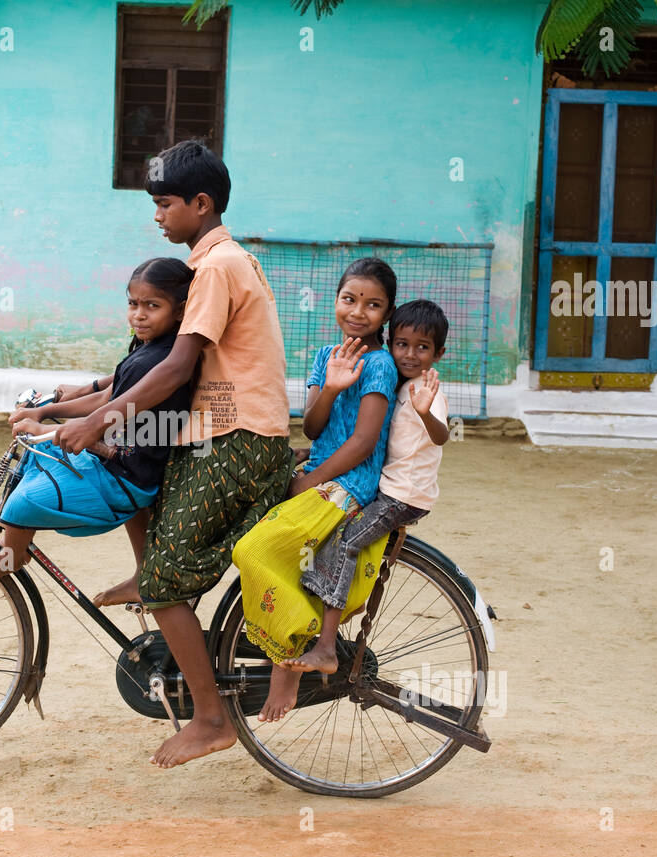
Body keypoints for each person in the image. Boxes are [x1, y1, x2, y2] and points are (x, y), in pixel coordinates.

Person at [54, 140, 294, 768]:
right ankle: (149, 572)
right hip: (217, 429)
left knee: (164, 583)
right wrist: (86, 407)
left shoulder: (215, 268)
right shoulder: (222, 259)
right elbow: (158, 369)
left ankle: (213, 719)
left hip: (236, 441)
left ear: (201, 203)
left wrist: (104, 416)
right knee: (132, 464)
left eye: (164, 204)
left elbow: (182, 361)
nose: (157, 217)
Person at [0, 258, 195, 589]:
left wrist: (44, 427)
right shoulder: (151, 350)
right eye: (133, 304)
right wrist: (46, 410)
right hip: (120, 463)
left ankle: (11, 559)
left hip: (124, 477)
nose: (139, 314)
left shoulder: (157, 361)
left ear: (179, 311)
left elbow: (106, 411)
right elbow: (107, 397)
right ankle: (18, 546)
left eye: (153, 306)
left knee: (23, 500)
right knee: (37, 456)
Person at [230, 258, 401, 722]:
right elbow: (312, 423)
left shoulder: (381, 364)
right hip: (324, 473)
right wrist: (329, 387)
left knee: (254, 550)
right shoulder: (326, 355)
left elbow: (364, 441)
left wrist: (310, 480)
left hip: (348, 482)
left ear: (386, 315)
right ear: (336, 300)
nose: (358, 311)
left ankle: (288, 659)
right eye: (350, 299)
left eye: (373, 304)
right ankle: (281, 643)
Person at [292, 299, 450, 672]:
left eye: (422, 347)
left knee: (344, 540)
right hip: (389, 490)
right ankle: (347, 599)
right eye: (401, 344)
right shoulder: (398, 382)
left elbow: (441, 437)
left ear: (439, 353)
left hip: (403, 497)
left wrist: (427, 413)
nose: (409, 354)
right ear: (390, 341)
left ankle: (327, 646)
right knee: (346, 534)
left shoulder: (427, 391)